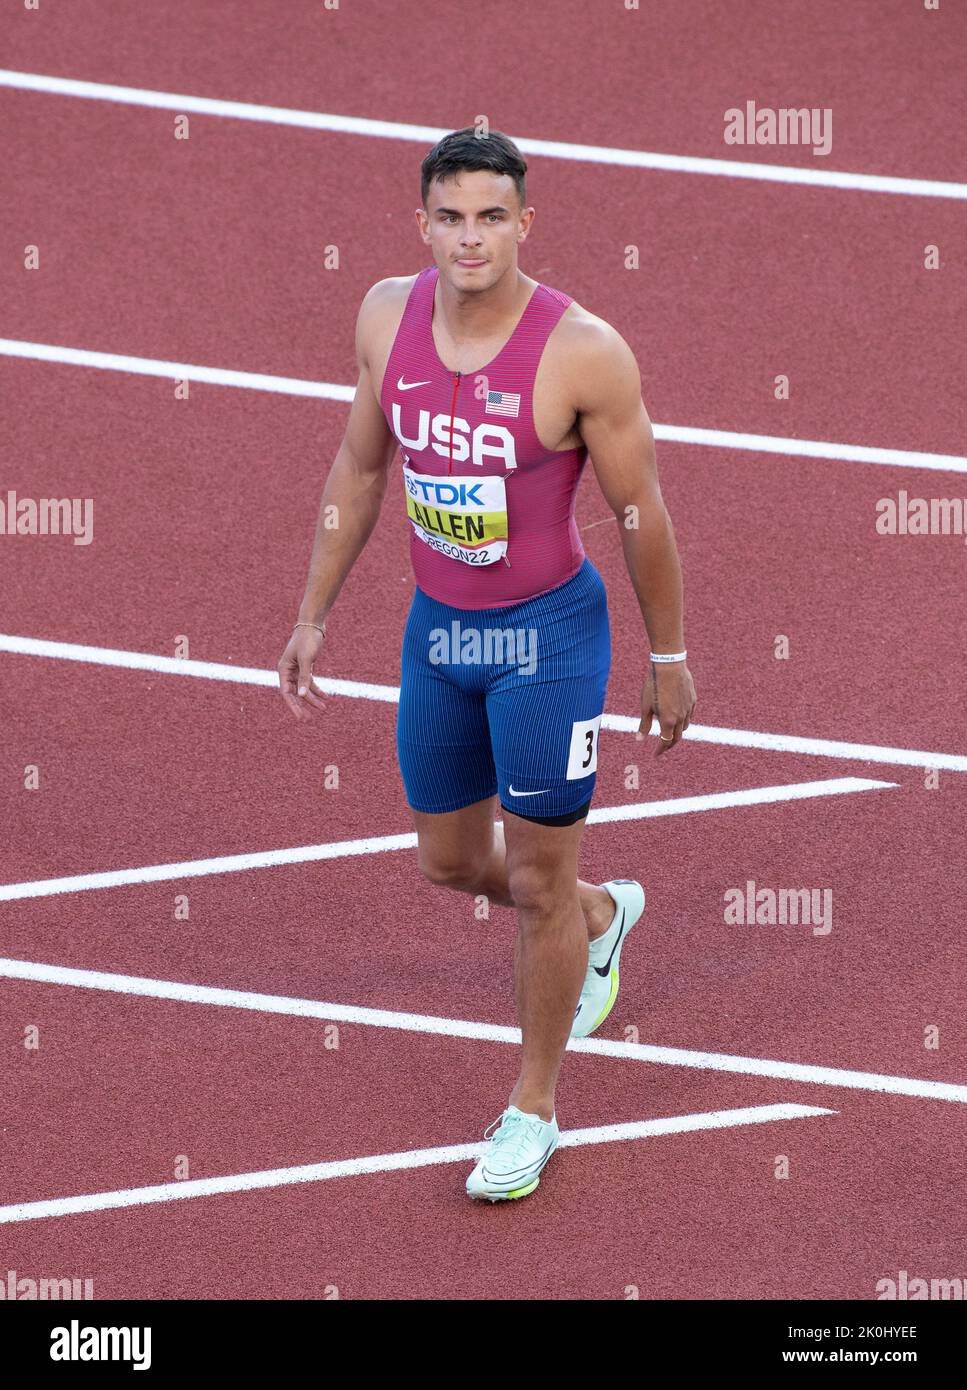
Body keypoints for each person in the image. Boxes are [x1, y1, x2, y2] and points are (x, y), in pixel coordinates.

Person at [278, 127, 696, 1202]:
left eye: (492, 217)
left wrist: (670, 653)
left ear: (524, 224)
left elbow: (639, 510)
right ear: (422, 224)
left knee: (537, 881)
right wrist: (314, 612)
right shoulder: (383, 315)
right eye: (451, 218)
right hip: (441, 638)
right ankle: (604, 917)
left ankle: (533, 1107)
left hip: (548, 645)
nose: (472, 238)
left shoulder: (584, 353)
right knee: (457, 865)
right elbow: (360, 466)